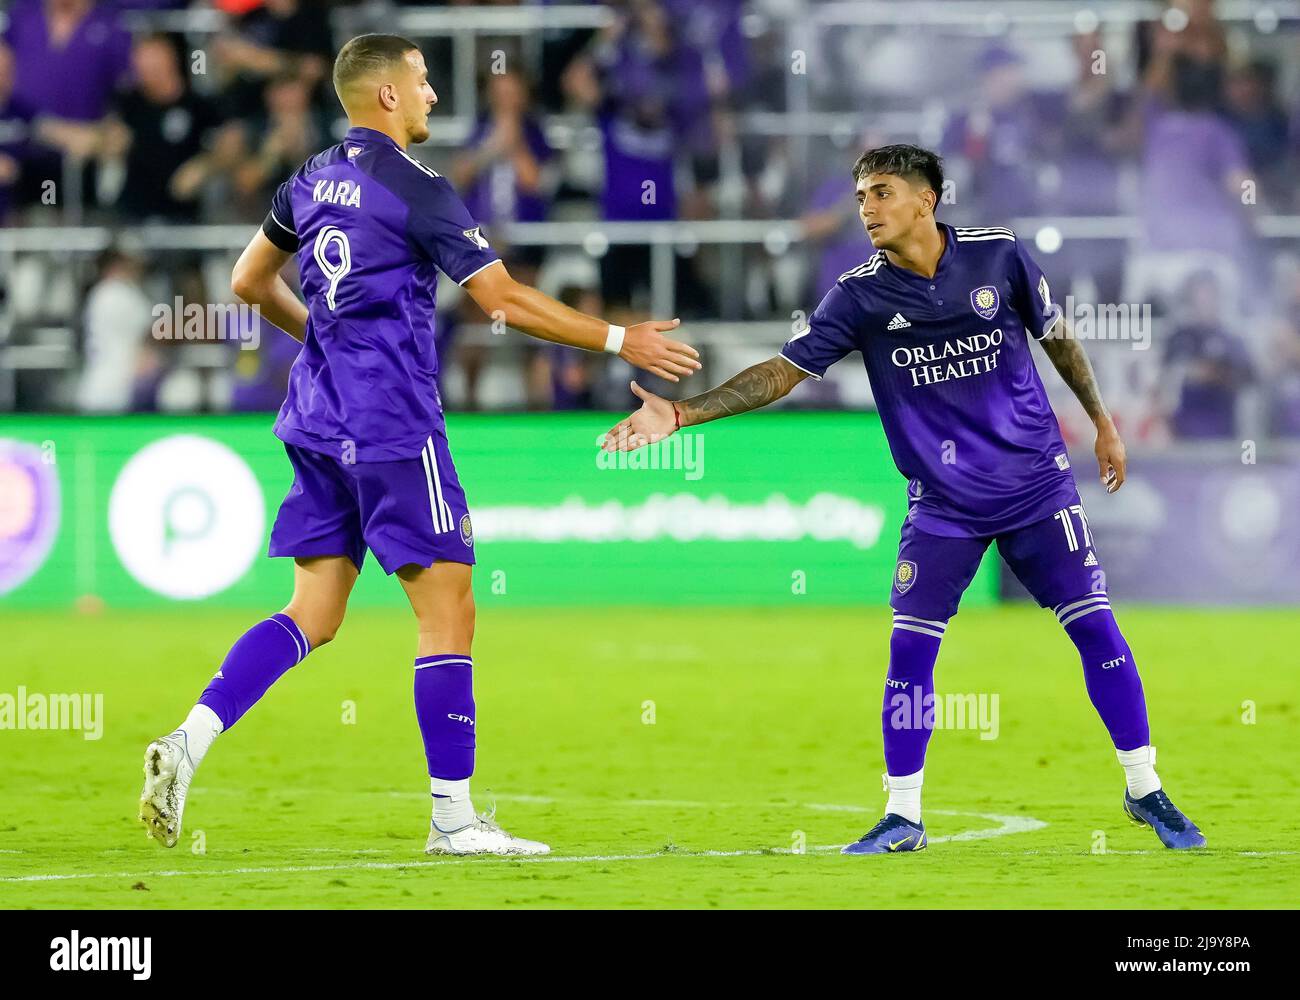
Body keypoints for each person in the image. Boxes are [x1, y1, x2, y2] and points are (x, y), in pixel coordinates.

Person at [138, 34, 700, 857]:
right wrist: (622, 338)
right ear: (389, 96)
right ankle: (453, 820)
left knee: (313, 612)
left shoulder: (312, 176)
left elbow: (247, 282)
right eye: (425, 82)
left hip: (316, 416)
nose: (435, 95)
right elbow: (501, 298)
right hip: (394, 424)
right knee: (449, 610)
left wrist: (321, 339)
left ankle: (189, 739)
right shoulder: (415, 186)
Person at [604, 144, 1206, 854]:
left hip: (1035, 487)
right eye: (861, 196)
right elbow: (783, 371)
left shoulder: (998, 258)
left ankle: (1145, 789)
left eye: (881, 193)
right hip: (943, 504)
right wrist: (681, 414)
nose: (866, 210)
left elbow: (1059, 339)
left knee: (1095, 628)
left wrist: (1102, 423)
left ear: (927, 199)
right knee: (909, 653)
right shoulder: (859, 294)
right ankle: (904, 814)